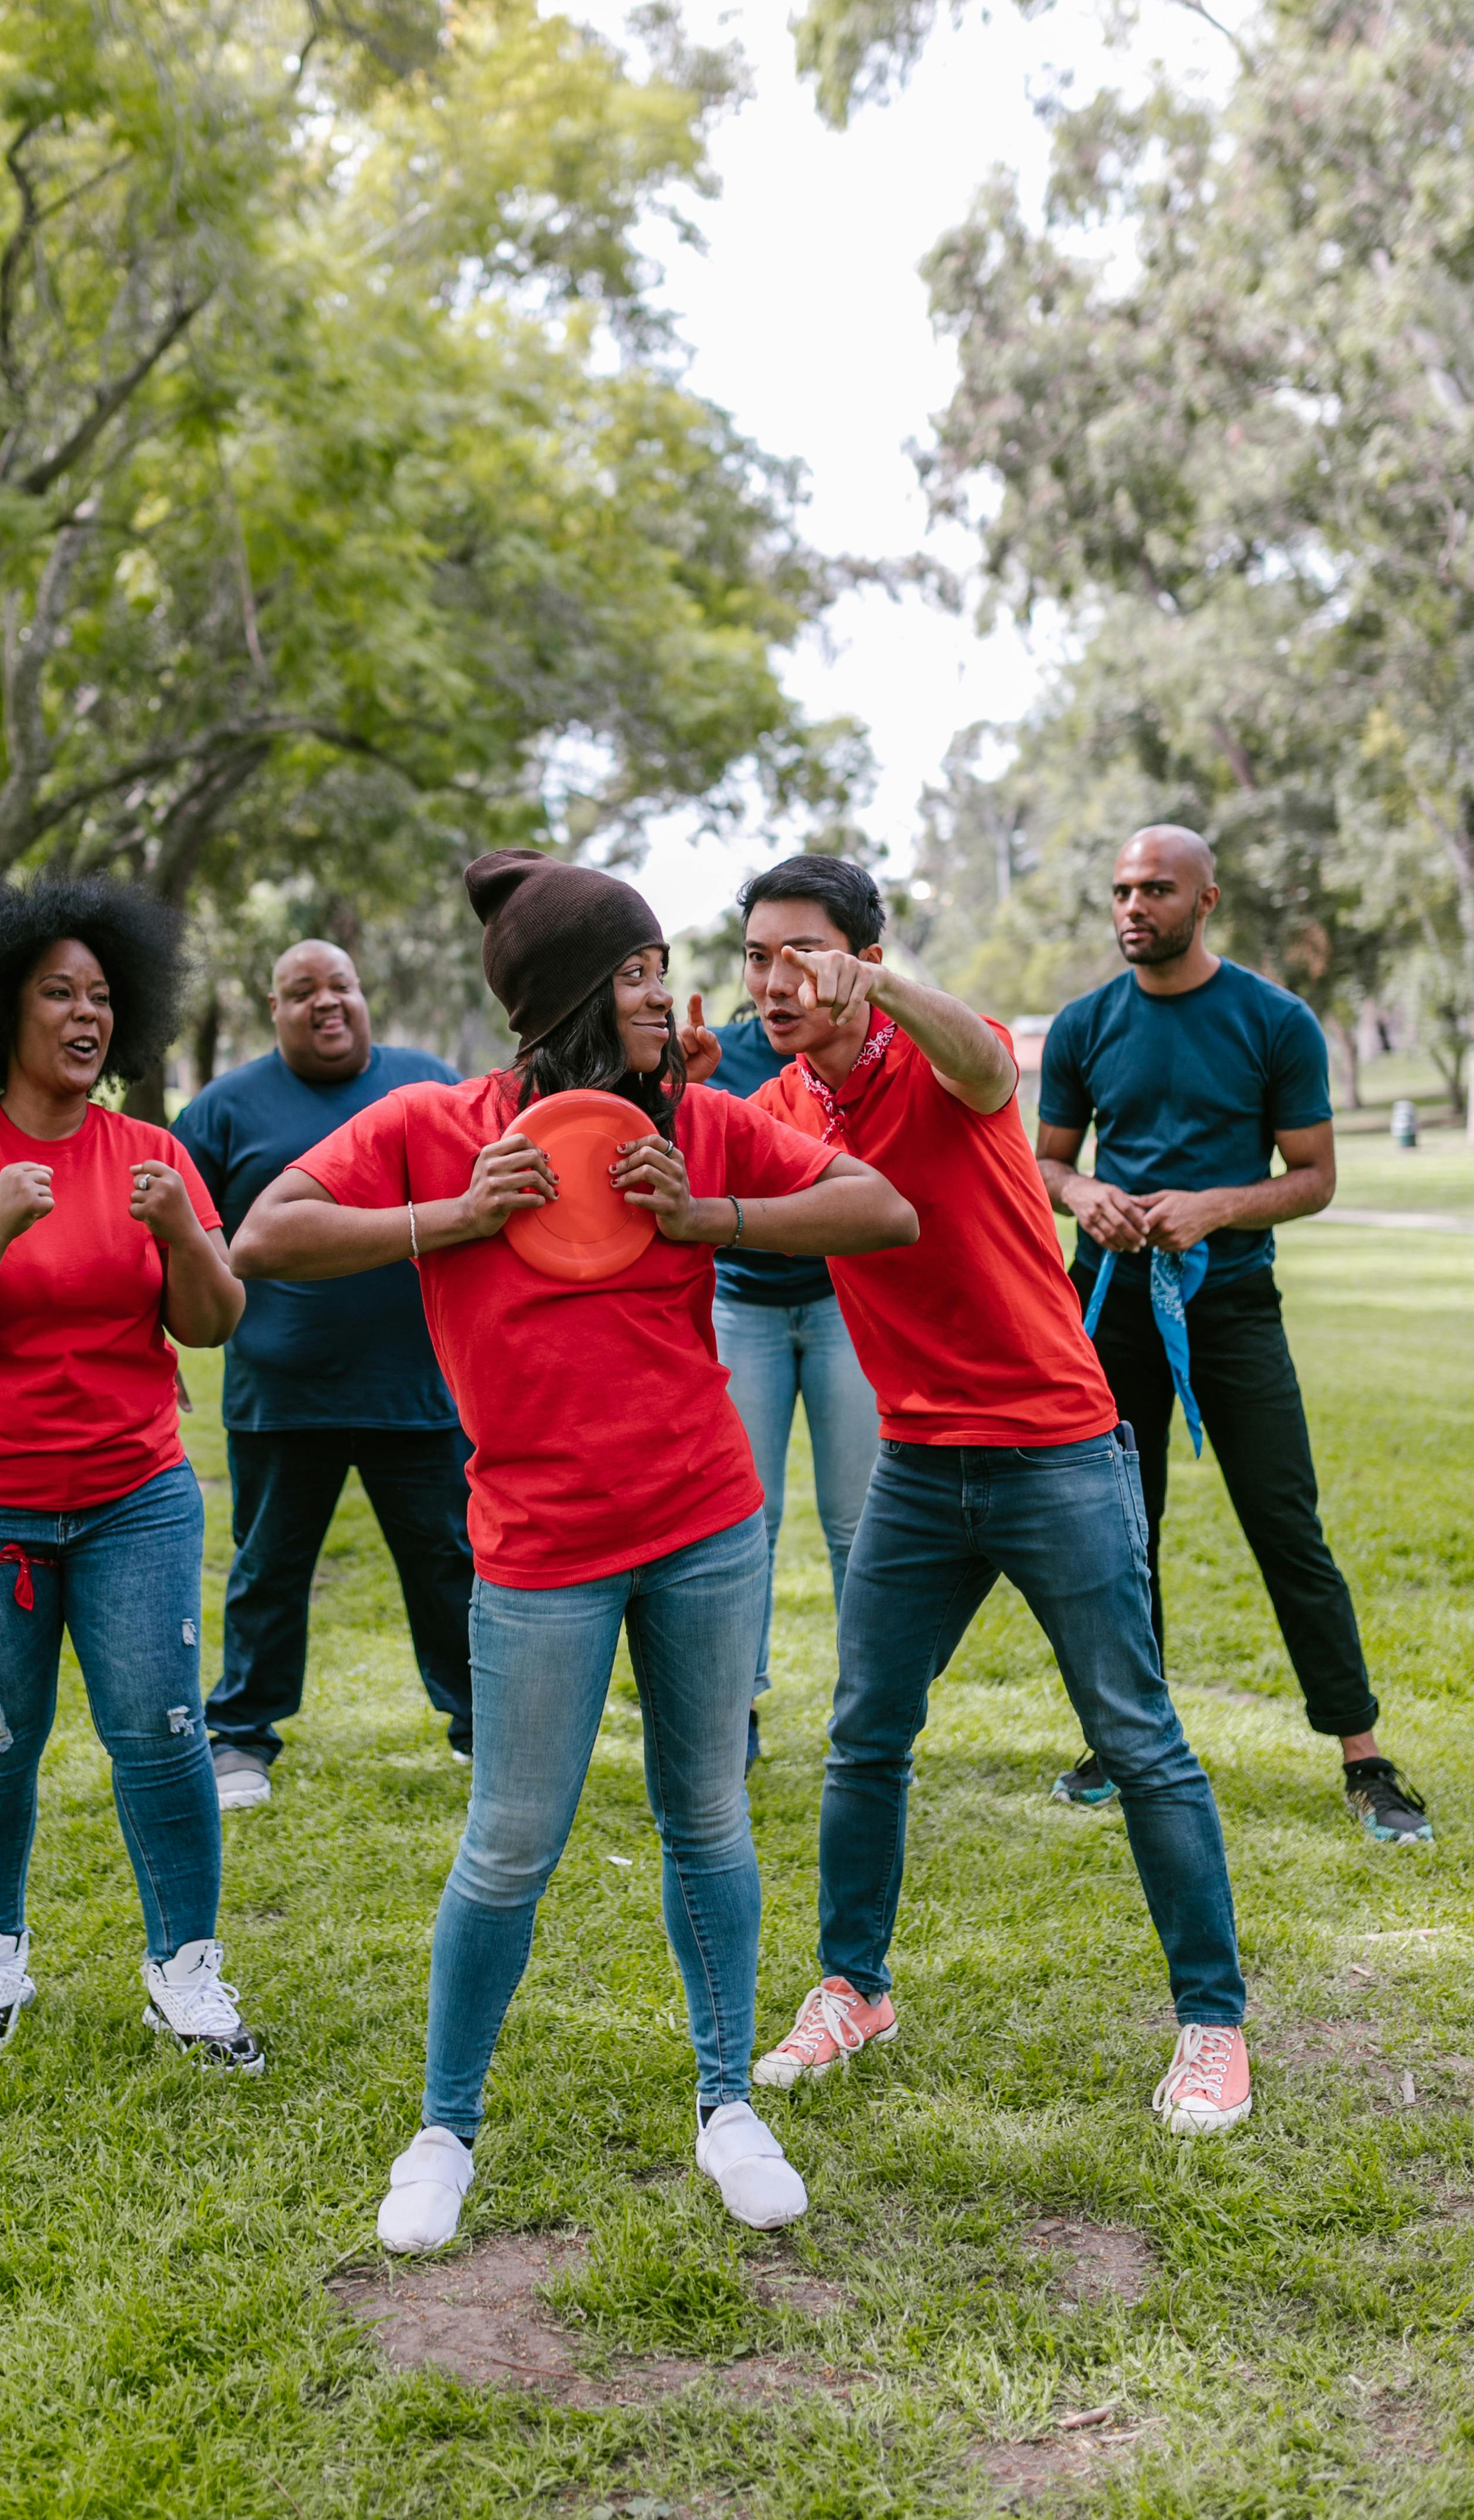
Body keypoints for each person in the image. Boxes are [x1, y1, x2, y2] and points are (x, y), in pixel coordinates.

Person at [230, 849, 919, 2251]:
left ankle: (728, 2104)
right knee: (509, 1844)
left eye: (663, 968)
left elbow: (881, 1208)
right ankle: (445, 2128)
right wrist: (455, 1217)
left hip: (705, 1527)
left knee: (707, 1819)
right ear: (567, 996)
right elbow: (267, 1235)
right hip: (539, 1549)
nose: (666, 996)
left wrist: (709, 1215)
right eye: (638, 972)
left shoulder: (698, 1126)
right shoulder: (437, 1125)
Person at [715, 854, 1253, 2138]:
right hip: (914, 1460)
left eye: (802, 954)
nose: (775, 982)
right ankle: (854, 1988)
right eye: (756, 957)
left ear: (862, 959)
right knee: (866, 1733)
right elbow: (704, 1166)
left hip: (1053, 1448)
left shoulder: (945, 1060)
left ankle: (1213, 2024)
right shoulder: (783, 1100)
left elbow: (986, 1059)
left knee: (1136, 1737)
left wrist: (884, 988)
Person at [0, 874, 264, 2073]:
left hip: (134, 1499)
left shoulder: (153, 1154)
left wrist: (182, 1230)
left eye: (100, 995)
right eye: (57, 993)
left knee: (163, 1729)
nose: (86, 1015)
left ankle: (185, 1969)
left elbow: (213, 1322)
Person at [1035, 824, 1433, 1845]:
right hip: (1111, 1305)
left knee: (1286, 1525)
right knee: (1122, 1534)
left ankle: (1364, 1757)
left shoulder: (1274, 1020)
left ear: (1205, 901)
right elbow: (1046, 1163)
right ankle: (1124, 1742)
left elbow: (1315, 1177)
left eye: (1157, 890)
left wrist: (1216, 1207)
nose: (1134, 907)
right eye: (1122, 890)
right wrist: (1083, 1193)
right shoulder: (1085, 1025)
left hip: (1235, 1305)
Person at [171, 940, 474, 1807]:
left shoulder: (427, 1084)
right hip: (280, 1393)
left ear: (363, 992)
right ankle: (242, 1738)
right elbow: (172, 1233)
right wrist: (157, 1333)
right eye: (301, 991)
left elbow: (483, 1213)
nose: (325, 1002)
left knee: (451, 1563)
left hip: (418, 1387)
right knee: (267, 1569)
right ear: (275, 1009)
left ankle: (483, 1727)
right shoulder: (223, 1109)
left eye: (340, 985)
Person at [691, 998, 879, 1766]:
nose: (781, 984)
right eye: (760, 957)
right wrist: (675, 1085)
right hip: (742, 1307)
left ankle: (872, 1711)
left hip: (841, 1303)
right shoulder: (714, 1057)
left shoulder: (858, 1057)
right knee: (747, 1521)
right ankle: (735, 1709)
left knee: (856, 1521)